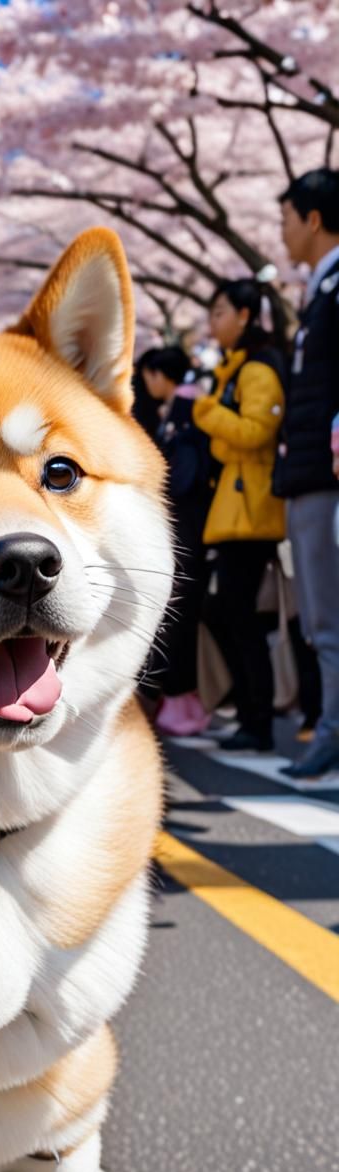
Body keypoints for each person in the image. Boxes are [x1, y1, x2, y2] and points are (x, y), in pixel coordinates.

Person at [192, 279, 287, 752]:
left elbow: (255, 432)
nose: (214, 322)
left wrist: (208, 413)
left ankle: (258, 718)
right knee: (228, 612)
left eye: (221, 312)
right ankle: (251, 711)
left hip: (250, 511)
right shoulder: (236, 370)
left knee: (236, 614)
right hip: (236, 512)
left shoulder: (255, 370)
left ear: (246, 316)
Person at [276, 168, 339, 778]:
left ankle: (334, 732)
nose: (282, 232)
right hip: (315, 471)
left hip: (326, 474)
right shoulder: (323, 291)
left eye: (287, 218)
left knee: (328, 614)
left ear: (313, 219)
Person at [141, 346, 213, 735]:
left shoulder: (186, 409)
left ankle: (182, 704)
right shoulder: (184, 407)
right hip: (192, 528)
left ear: (159, 374)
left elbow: (181, 475)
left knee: (179, 623)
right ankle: (178, 704)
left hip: (186, 529)